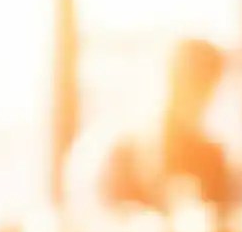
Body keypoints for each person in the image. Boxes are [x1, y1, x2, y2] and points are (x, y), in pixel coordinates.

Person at [64, 39, 230, 212]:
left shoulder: (212, 157)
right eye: (188, 82)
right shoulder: (120, 152)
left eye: (204, 88)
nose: (196, 99)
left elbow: (221, 221)